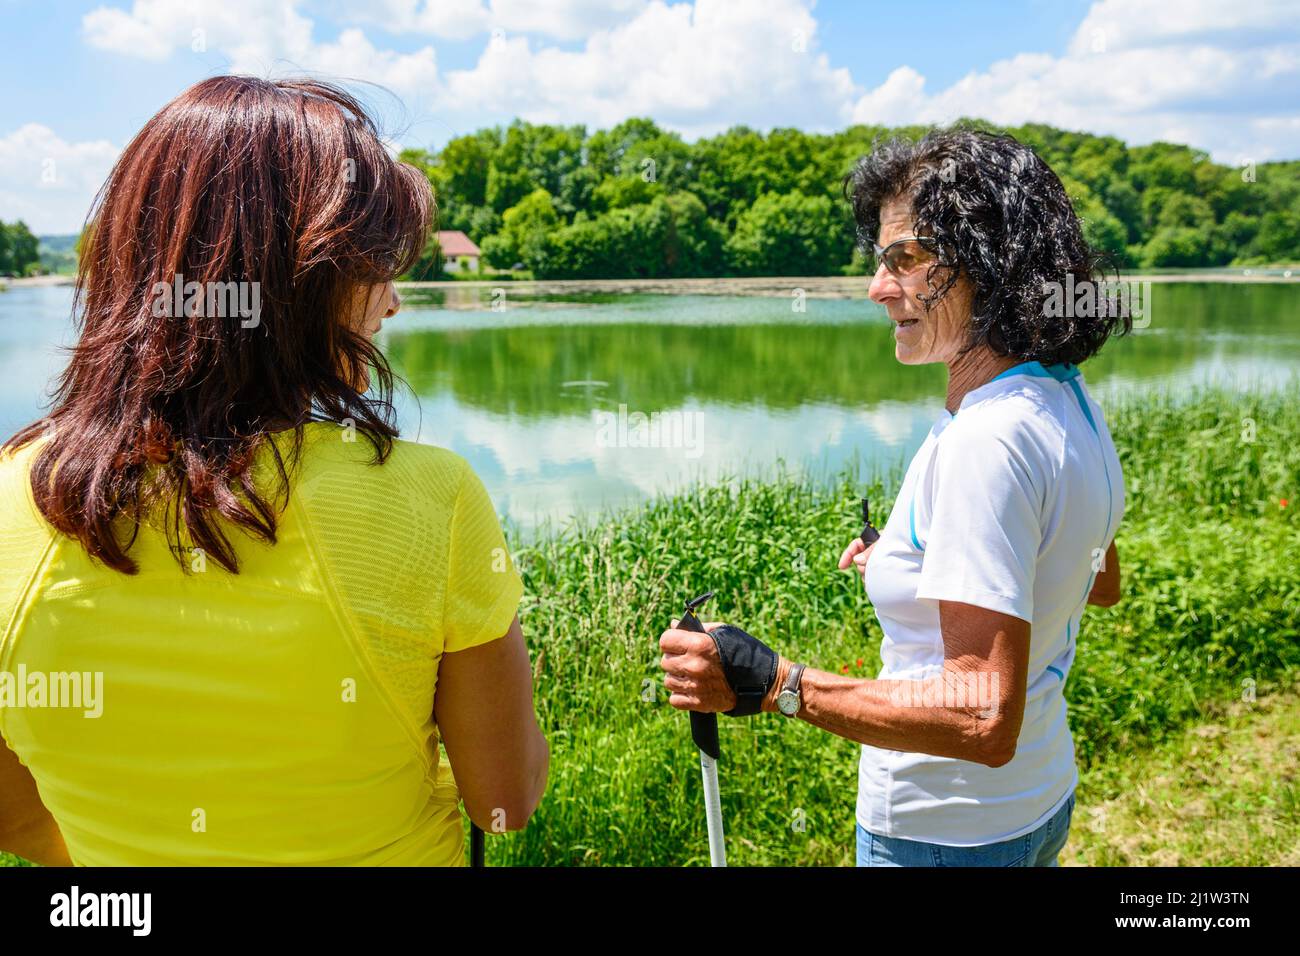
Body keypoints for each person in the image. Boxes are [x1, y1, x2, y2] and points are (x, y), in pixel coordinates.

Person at [0, 75, 548, 866]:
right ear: (301, 283)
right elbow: (503, 803)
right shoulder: (435, 499)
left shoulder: (16, 499)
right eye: (375, 268)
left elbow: (16, 822)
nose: (392, 303)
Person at [659, 126, 1130, 867]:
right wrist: (924, 554)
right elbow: (1092, 577)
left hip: (941, 831)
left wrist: (778, 684)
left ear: (988, 262)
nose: (878, 288)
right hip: (1039, 805)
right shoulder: (1069, 401)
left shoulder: (987, 441)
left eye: (904, 259)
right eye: (880, 261)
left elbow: (981, 718)